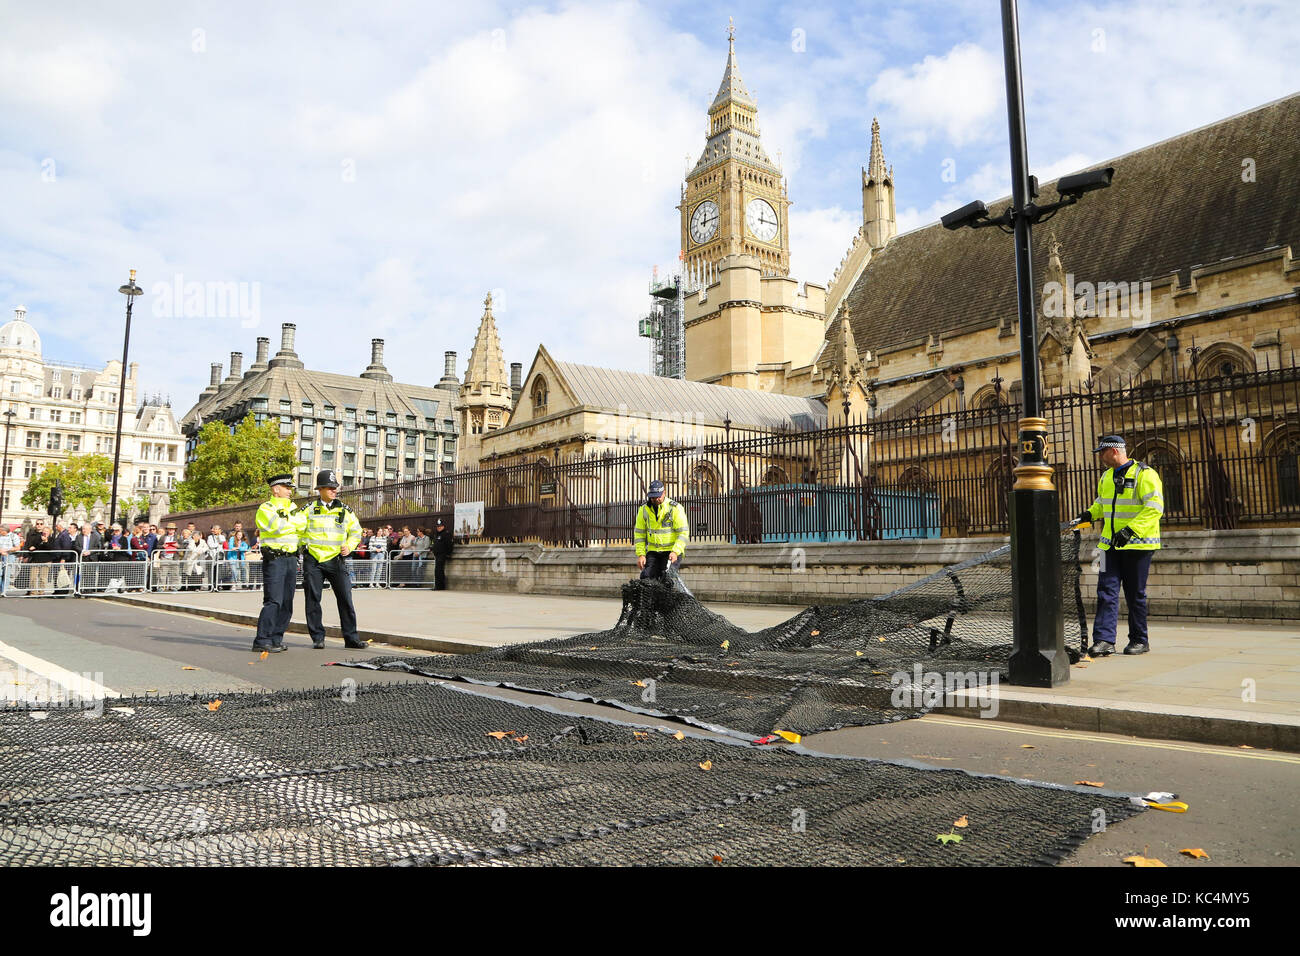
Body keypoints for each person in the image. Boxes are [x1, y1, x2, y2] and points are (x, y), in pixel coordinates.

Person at [1074, 435, 1164, 656]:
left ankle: (1139, 640)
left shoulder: (1145, 474)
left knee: (1135, 595)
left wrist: (1130, 531)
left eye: (1102, 453)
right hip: (1109, 547)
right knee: (1106, 591)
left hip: (1138, 546)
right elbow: (1101, 504)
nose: (1100, 458)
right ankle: (1104, 641)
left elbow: (1154, 507)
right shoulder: (1106, 477)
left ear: (1114, 451)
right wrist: (1088, 515)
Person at [301, 469, 367, 650]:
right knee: (313, 599)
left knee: (346, 598)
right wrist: (303, 546)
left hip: (336, 559)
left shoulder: (345, 510)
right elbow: (297, 530)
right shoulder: (308, 510)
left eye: (335, 487)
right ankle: (318, 638)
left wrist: (350, 546)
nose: (334, 490)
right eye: (330, 487)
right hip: (313, 559)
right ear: (320, 489)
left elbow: (356, 532)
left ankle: (351, 639)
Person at [252, 473, 306, 653]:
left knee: (287, 602)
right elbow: (276, 527)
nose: (290, 491)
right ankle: (262, 640)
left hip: (291, 558)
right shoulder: (265, 508)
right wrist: (292, 523)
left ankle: (276, 638)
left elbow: (302, 526)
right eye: (287, 487)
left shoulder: (294, 508)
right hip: (275, 559)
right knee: (273, 601)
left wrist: (288, 521)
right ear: (276, 489)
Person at [634, 479, 688, 582]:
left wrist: (675, 551)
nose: (656, 499)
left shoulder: (675, 508)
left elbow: (683, 533)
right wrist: (641, 554)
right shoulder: (644, 509)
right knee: (646, 578)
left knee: (667, 579)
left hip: (671, 552)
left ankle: (668, 597)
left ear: (664, 493)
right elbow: (639, 534)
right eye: (653, 496)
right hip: (653, 552)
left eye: (658, 495)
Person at [432, 518, 454, 590]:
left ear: (443, 526)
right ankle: (438, 586)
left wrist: (448, 553)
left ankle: (440, 586)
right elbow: (435, 544)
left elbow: (449, 545)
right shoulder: (436, 534)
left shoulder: (446, 534)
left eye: (440, 526)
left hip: (442, 554)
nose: (439, 528)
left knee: (439, 571)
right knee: (437, 571)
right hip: (437, 555)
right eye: (438, 526)